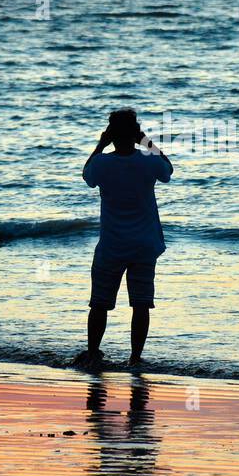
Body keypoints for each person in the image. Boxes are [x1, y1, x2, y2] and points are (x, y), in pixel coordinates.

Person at [74, 108, 172, 370]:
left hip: (111, 245)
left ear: (111, 135)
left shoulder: (102, 163)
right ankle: (135, 358)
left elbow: (86, 176)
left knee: (99, 304)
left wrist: (100, 144)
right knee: (141, 304)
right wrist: (147, 142)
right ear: (136, 133)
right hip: (144, 245)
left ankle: (93, 353)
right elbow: (168, 170)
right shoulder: (148, 161)